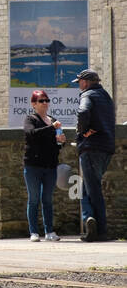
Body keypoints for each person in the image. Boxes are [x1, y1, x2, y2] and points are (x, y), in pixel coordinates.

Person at [74, 68, 116, 242]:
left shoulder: (87, 95)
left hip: (91, 148)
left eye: (80, 83)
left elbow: (83, 112)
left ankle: (101, 230)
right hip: (107, 148)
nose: (79, 86)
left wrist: (82, 131)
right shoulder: (106, 97)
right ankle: (89, 217)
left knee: (94, 190)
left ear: (86, 82)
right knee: (86, 188)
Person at [23, 89, 64, 242]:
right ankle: (34, 232)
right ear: (34, 104)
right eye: (41, 101)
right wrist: (52, 128)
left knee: (47, 199)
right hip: (33, 165)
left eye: (47, 100)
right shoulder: (30, 119)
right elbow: (31, 134)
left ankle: (49, 232)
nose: (45, 103)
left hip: (50, 165)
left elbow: (56, 143)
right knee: (33, 199)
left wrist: (61, 141)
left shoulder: (53, 119)